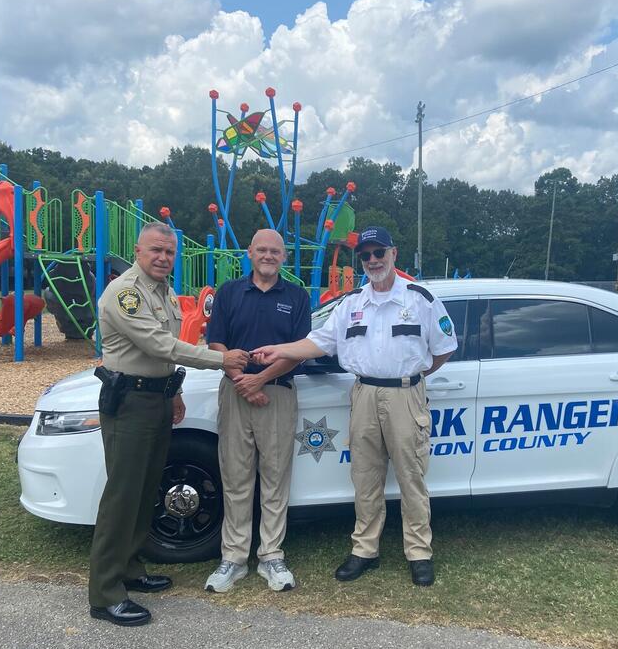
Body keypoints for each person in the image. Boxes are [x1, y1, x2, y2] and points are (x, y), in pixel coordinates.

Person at [253, 226, 457, 587]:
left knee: (411, 476)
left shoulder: (420, 299)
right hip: (363, 394)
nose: (373, 260)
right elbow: (318, 342)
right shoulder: (351, 304)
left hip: (404, 395)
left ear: (394, 253)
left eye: (380, 252)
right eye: (366, 255)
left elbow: (444, 349)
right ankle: (365, 549)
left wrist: (413, 377)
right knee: (365, 477)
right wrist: (280, 350)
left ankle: (419, 552)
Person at [89, 221, 249, 626]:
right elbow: (158, 344)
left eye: (169, 252)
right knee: (123, 495)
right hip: (129, 402)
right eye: (155, 250)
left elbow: (162, 357)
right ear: (138, 251)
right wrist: (221, 359)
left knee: (146, 491)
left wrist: (173, 389)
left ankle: (129, 567)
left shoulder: (163, 293)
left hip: (155, 398)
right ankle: (105, 594)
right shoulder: (125, 293)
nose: (163, 258)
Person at [203, 229, 312, 593]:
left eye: (275, 251)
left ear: (284, 257)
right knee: (235, 477)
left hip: (277, 394)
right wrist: (241, 380)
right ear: (249, 253)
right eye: (262, 250)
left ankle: (271, 556)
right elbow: (216, 341)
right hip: (235, 393)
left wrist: (260, 379)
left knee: (275, 478)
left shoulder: (297, 297)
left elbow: (298, 351)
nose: (268, 255)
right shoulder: (229, 292)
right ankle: (233, 559)